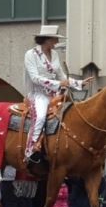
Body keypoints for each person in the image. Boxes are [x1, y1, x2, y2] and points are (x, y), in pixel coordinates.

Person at [23, 25, 89, 166]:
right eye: (54, 39)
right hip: (38, 94)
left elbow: (62, 76)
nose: (55, 42)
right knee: (40, 116)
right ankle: (31, 150)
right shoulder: (31, 54)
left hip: (54, 95)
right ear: (46, 39)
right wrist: (59, 84)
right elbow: (35, 78)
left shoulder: (55, 55)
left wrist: (78, 83)